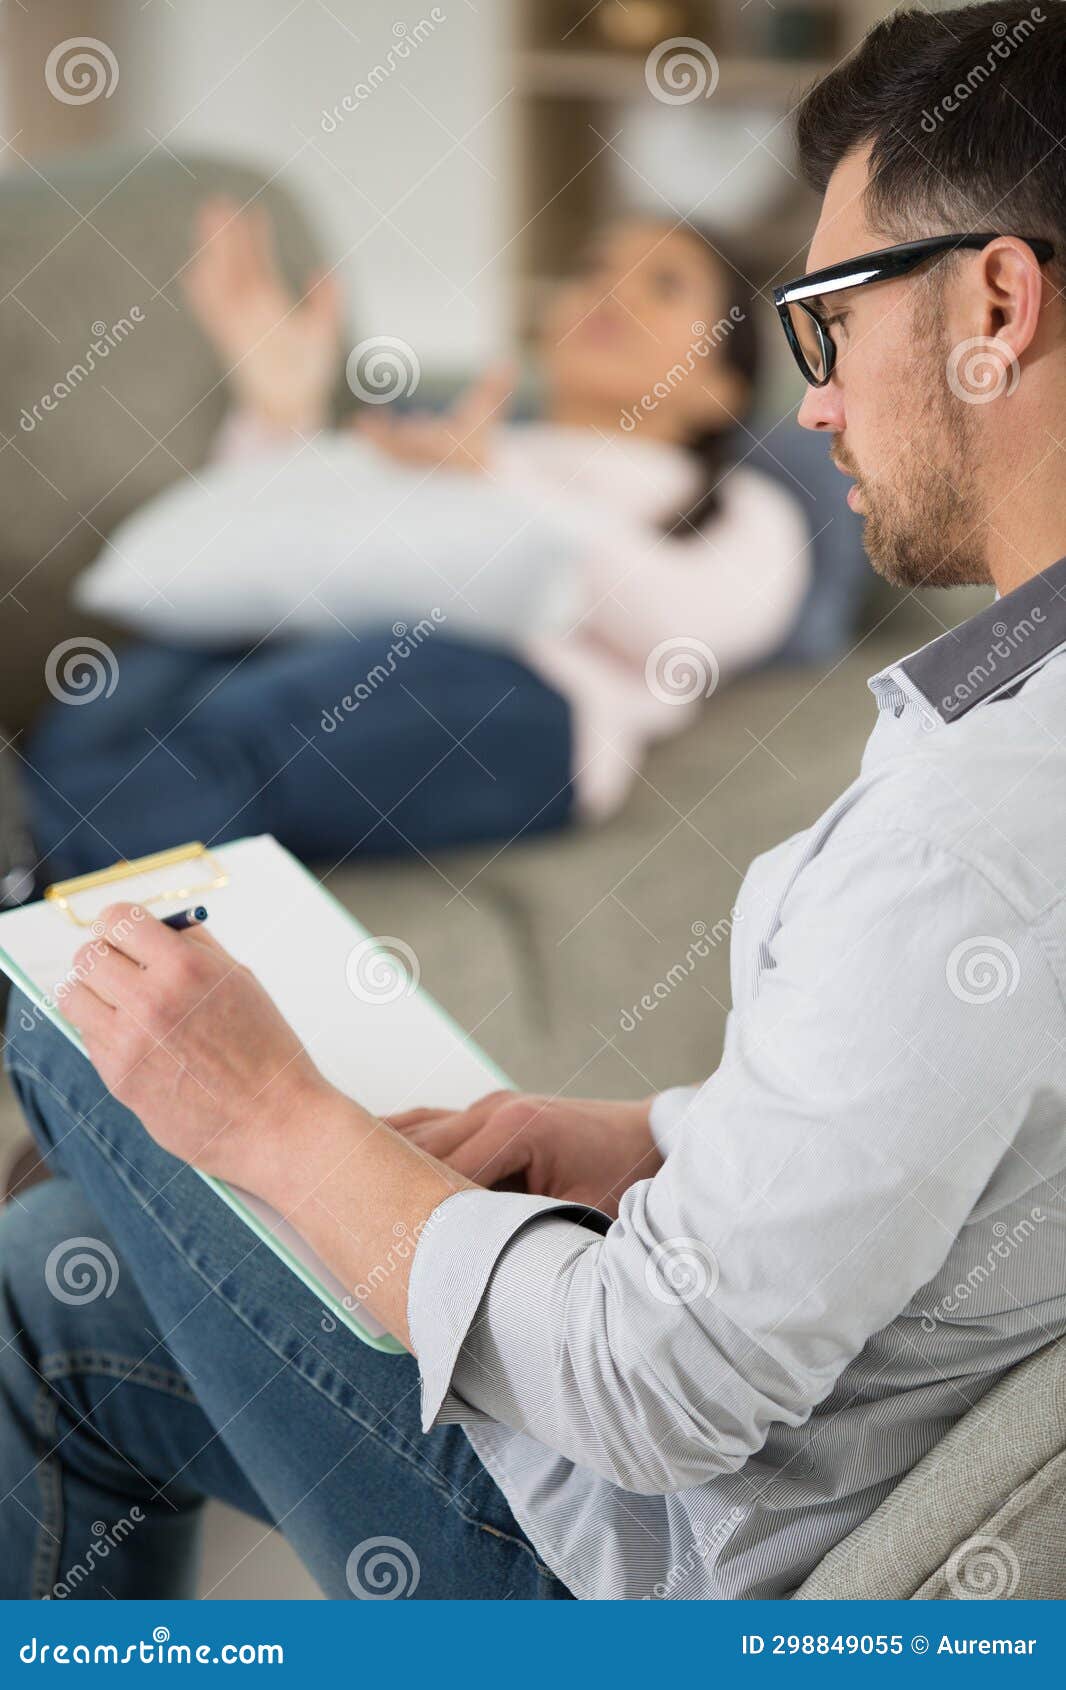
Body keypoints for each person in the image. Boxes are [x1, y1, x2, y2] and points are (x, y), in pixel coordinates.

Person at [3, 0, 1066, 1602]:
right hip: (745, 1435)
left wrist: (279, 1123)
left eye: (830, 320)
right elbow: (931, 1129)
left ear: (994, 302)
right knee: (48, 1277)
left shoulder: (965, 840)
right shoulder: (1002, 742)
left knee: (76, 1012)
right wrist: (640, 1145)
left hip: (630, 1556)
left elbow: (658, 1388)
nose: (817, 402)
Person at [22, 209, 809, 881]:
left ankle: (28, 888)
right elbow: (268, 558)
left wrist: (493, 480)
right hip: (325, 644)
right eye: (594, 270)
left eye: (663, 285)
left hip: (528, 702)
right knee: (102, 713)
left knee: (245, 733)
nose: (613, 292)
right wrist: (279, 408)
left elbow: (683, 635)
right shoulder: (453, 445)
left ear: (724, 388)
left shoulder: (742, 509)